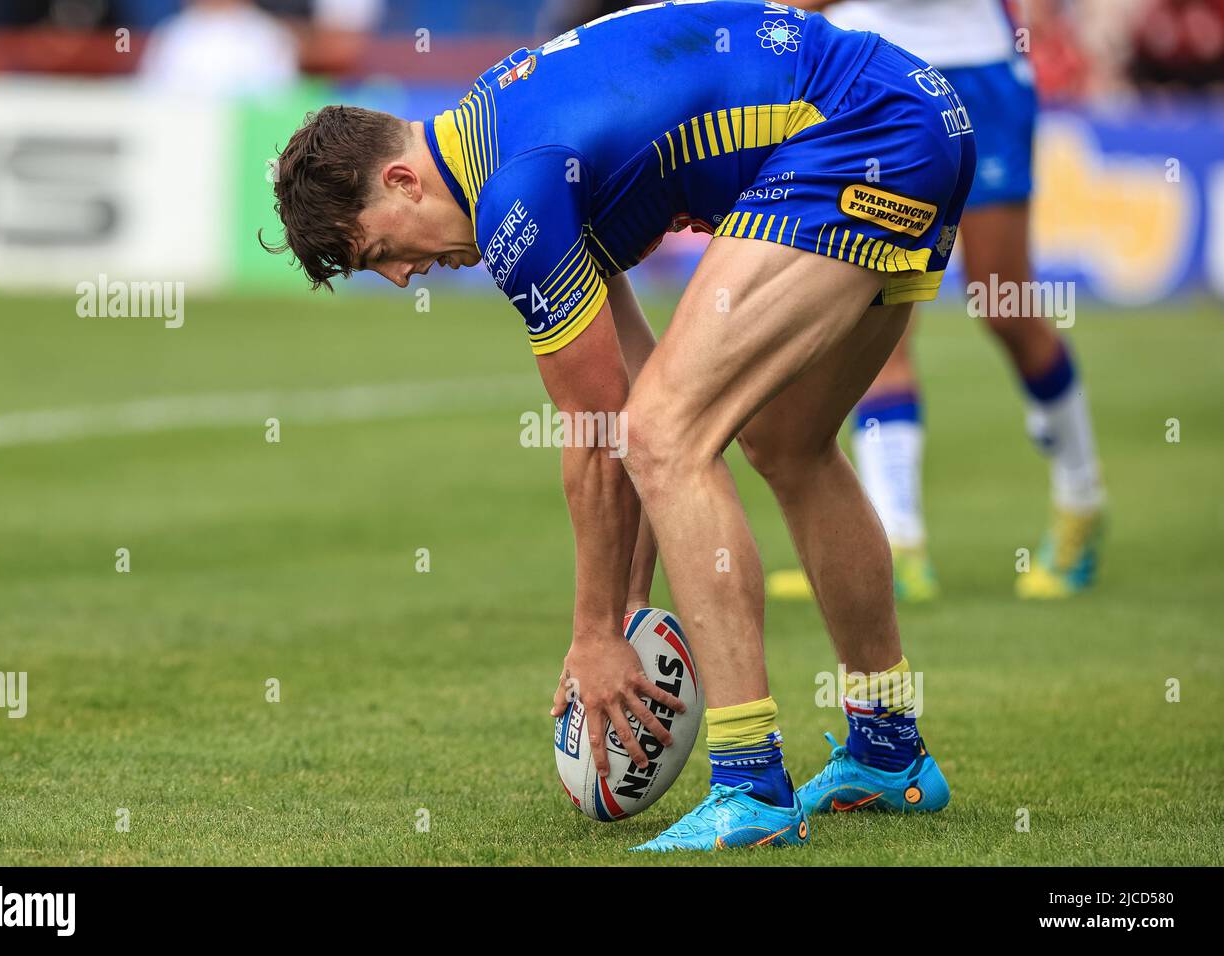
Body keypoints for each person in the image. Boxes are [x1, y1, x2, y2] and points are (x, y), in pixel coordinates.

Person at [263, 0, 971, 851]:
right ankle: (888, 745)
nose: (407, 276)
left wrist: (598, 636)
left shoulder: (515, 197)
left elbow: (607, 435)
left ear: (402, 182)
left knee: (666, 436)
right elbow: (624, 388)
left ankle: (752, 784)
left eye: (380, 252)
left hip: (861, 133)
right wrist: (628, 602)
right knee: (787, 443)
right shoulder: (504, 128)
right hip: (914, 115)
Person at [768, 0, 1106, 603]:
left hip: (974, 71)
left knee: (1004, 305)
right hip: (871, 71)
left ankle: (1081, 501)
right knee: (875, 311)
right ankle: (897, 545)